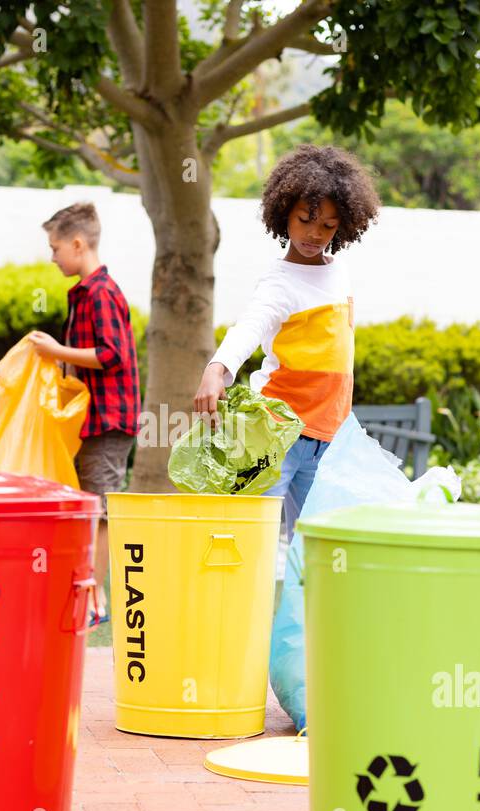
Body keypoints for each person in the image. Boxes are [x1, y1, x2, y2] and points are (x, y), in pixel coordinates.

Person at [193, 145, 381, 540]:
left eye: (328, 225)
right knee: (250, 537)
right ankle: (239, 604)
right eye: (304, 219)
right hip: (276, 434)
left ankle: (302, 606)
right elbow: (248, 326)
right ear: (283, 214)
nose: (315, 234)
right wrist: (217, 369)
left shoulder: (340, 272)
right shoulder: (279, 282)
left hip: (327, 437)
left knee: (318, 544)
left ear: (344, 225)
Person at [28, 201, 140, 624]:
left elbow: (112, 355)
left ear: (77, 243)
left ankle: (96, 601)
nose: (52, 257)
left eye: (55, 248)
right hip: (90, 419)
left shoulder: (102, 293)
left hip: (108, 421)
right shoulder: (86, 293)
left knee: (99, 509)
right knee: (87, 505)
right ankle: (84, 590)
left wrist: (57, 350)